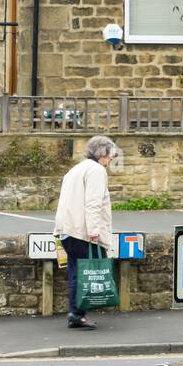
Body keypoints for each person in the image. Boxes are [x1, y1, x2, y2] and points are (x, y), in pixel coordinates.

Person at [52, 135, 118, 329]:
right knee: (86, 273)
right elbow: (93, 203)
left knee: (76, 272)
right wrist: (94, 231)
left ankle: (75, 313)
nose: (112, 158)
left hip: (67, 230)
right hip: (82, 232)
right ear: (102, 153)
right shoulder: (96, 170)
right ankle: (77, 314)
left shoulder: (76, 169)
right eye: (111, 154)